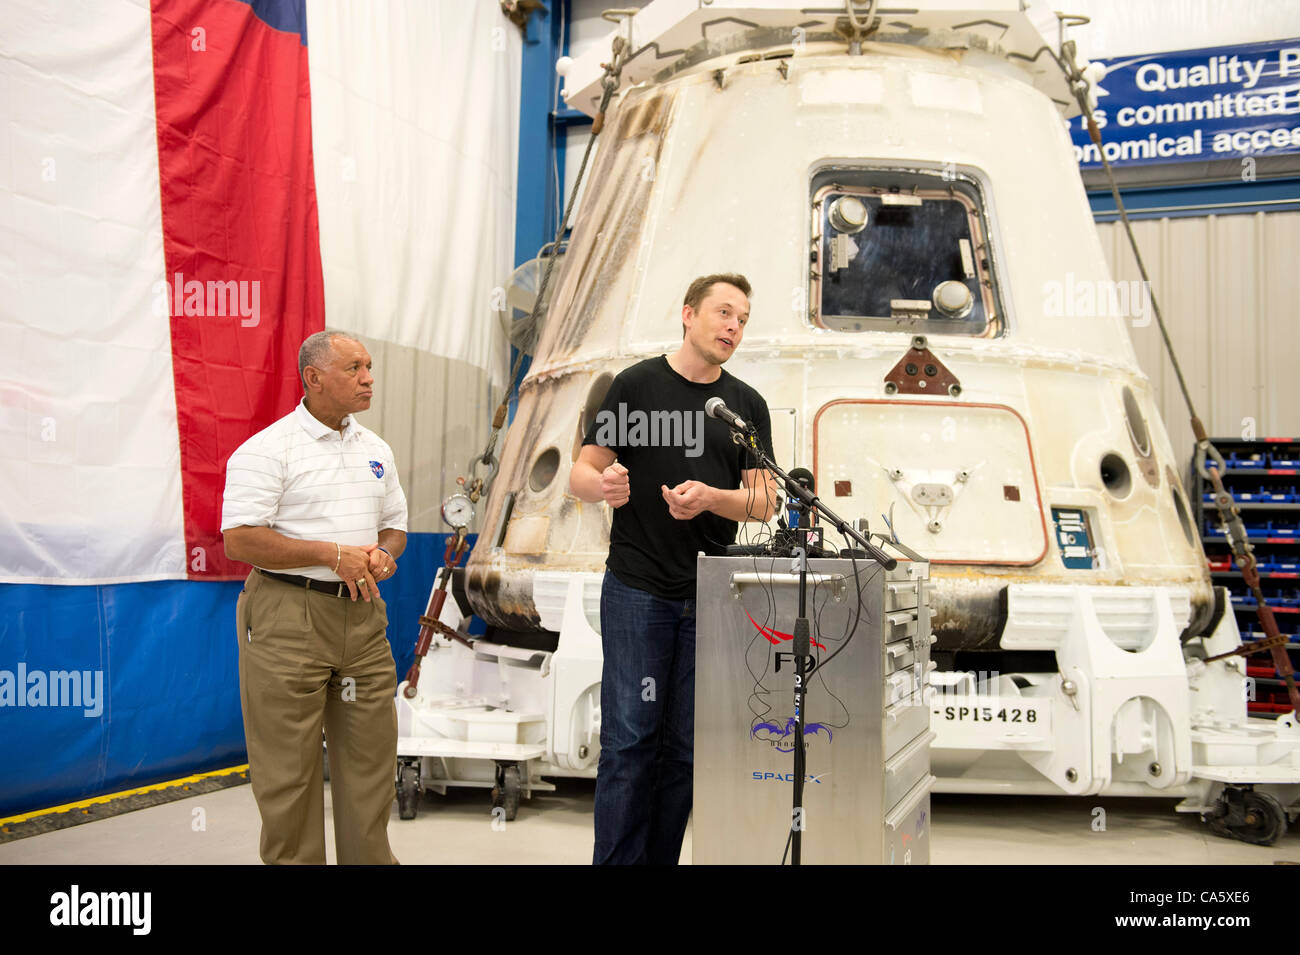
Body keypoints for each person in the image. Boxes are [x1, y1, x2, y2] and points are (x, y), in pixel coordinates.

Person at [569, 273, 778, 864]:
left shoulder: (743, 406)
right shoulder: (636, 386)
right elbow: (581, 474)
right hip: (639, 590)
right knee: (631, 740)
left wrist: (713, 498)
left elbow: (765, 501)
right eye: (723, 313)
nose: (733, 327)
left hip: (712, 595)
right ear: (688, 315)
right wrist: (604, 483)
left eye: (742, 319)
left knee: (685, 748)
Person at [221, 330, 407, 865]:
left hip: (363, 617)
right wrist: (331, 554)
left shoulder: (376, 450)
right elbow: (240, 539)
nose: (369, 378)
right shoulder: (266, 450)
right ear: (314, 377)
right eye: (354, 368)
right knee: (288, 773)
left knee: (370, 763)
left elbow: (394, 527)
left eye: (369, 366)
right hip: (287, 616)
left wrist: (384, 555)